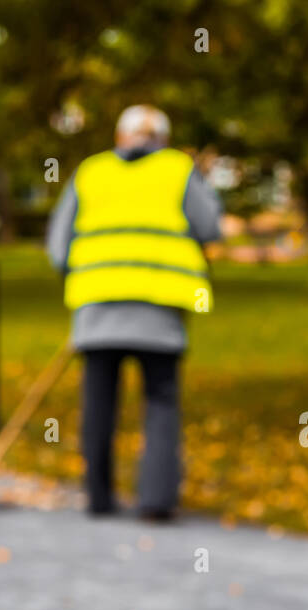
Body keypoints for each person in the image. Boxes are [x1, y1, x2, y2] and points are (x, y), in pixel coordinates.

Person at [46, 105, 221, 520]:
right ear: (162, 137)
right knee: (161, 402)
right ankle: (156, 501)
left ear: (120, 135)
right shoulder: (178, 170)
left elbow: (58, 245)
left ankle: (98, 498)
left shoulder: (91, 172)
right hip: (159, 308)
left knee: (99, 403)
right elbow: (210, 226)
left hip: (97, 308)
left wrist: (82, 278)